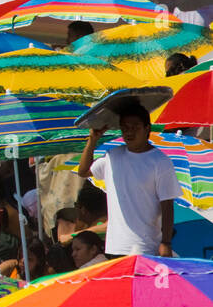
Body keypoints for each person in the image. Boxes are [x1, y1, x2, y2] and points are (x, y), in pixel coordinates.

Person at [77, 100, 179, 257]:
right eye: (125, 128)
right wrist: (92, 140)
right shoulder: (112, 157)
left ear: (147, 129)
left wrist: (166, 242)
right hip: (114, 247)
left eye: (135, 127)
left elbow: (167, 206)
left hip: (146, 247)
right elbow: (83, 171)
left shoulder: (160, 161)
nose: (129, 132)